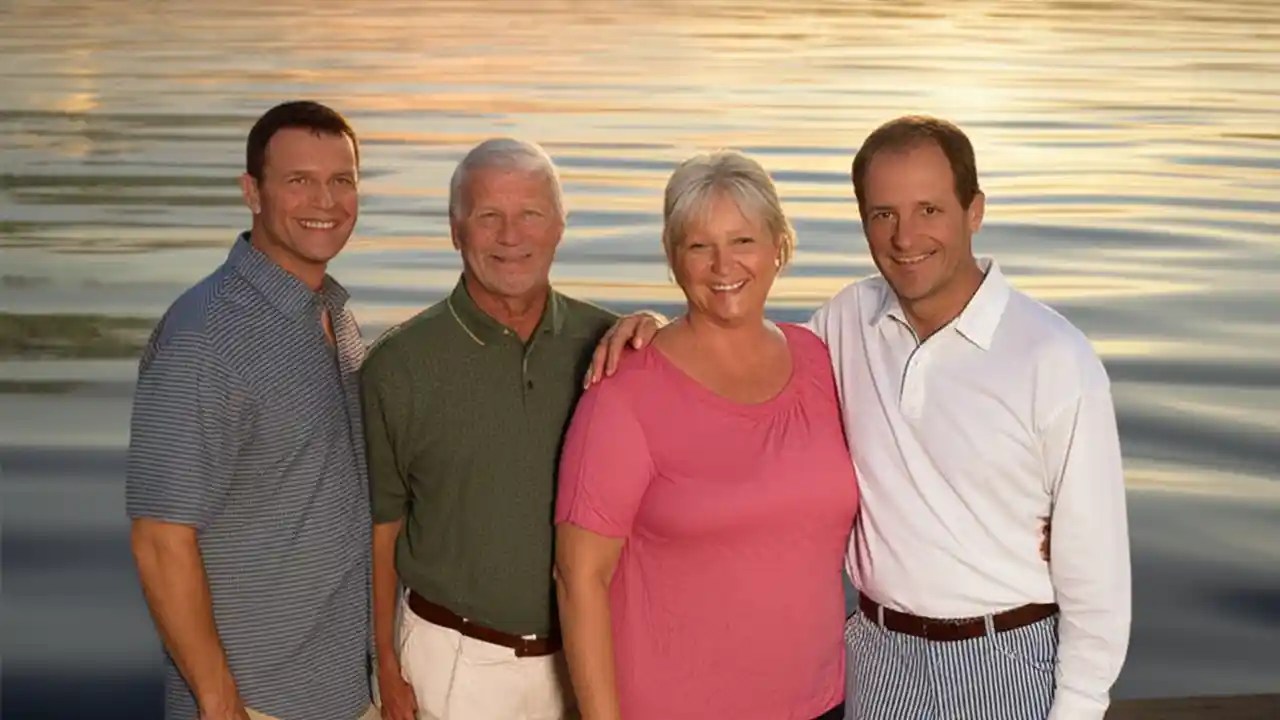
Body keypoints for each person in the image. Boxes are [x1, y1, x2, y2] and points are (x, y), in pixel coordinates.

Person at [588, 116, 1131, 720]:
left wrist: (1078, 708)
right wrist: (654, 328)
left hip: (1004, 660)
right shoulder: (843, 325)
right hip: (872, 662)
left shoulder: (1054, 357)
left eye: (929, 209)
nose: (905, 237)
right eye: (883, 214)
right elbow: (738, 343)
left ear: (973, 211)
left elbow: (1098, 574)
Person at [554, 150, 856, 720]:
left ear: (779, 248)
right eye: (699, 246)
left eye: (743, 241)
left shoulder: (820, 359)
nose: (723, 266)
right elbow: (579, 578)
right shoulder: (624, 391)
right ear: (673, 259)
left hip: (822, 703)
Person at [126, 100, 377, 720]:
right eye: (299, 181)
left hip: (347, 690)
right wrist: (217, 699)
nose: (325, 201)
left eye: (340, 180)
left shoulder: (336, 316)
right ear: (252, 192)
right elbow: (160, 537)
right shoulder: (204, 338)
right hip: (257, 704)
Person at [361, 138, 617, 720]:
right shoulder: (397, 366)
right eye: (488, 217)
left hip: (588, 660)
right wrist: (387, 666)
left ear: (559, 225)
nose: (511, 236)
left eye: (530, 214)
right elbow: (381, 532)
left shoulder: (611, 345)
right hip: (453, 667)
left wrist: (654, 325)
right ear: (456, 230)